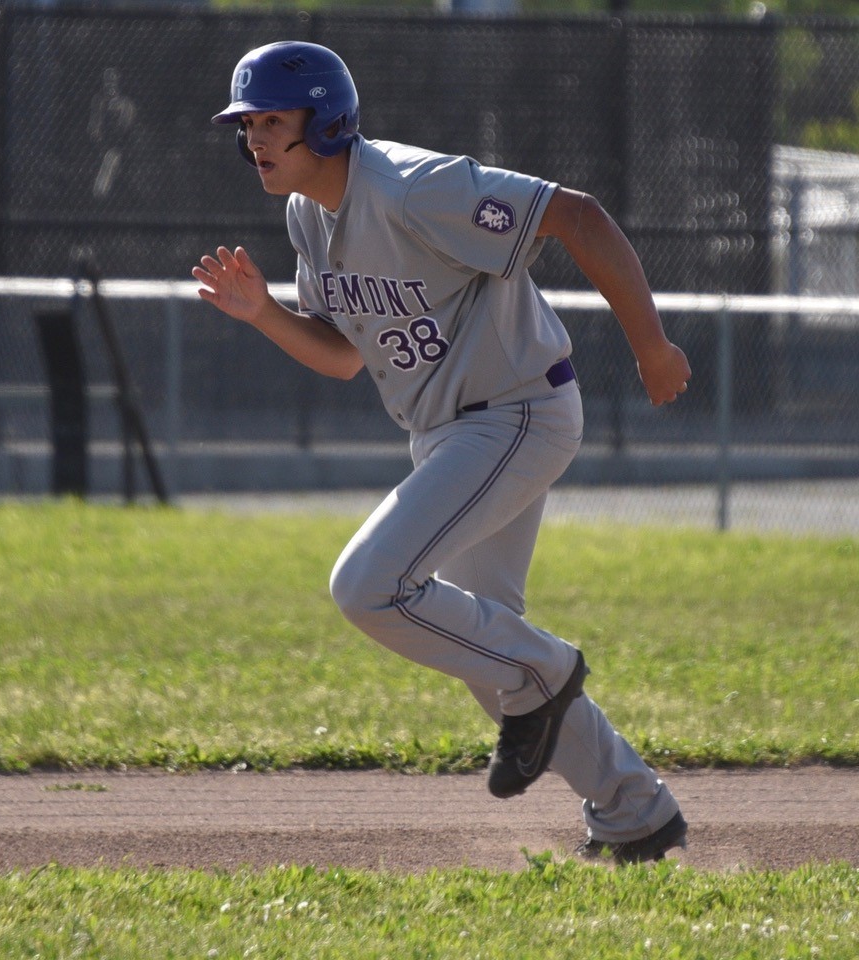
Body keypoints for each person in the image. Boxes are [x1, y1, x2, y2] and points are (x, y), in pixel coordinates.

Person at [194, 41, 693, 864]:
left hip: (517, 413)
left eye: (273, 121)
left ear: (326, 120)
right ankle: (633, 812)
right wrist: (264, 314)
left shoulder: (409, 186)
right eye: (246, 124)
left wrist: (652, 346)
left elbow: (577, 215)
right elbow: (343, 354)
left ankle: (551, 671)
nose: (254, 138)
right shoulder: (308, 214)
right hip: (451, 434)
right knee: (480, 652)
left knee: (368, 585)